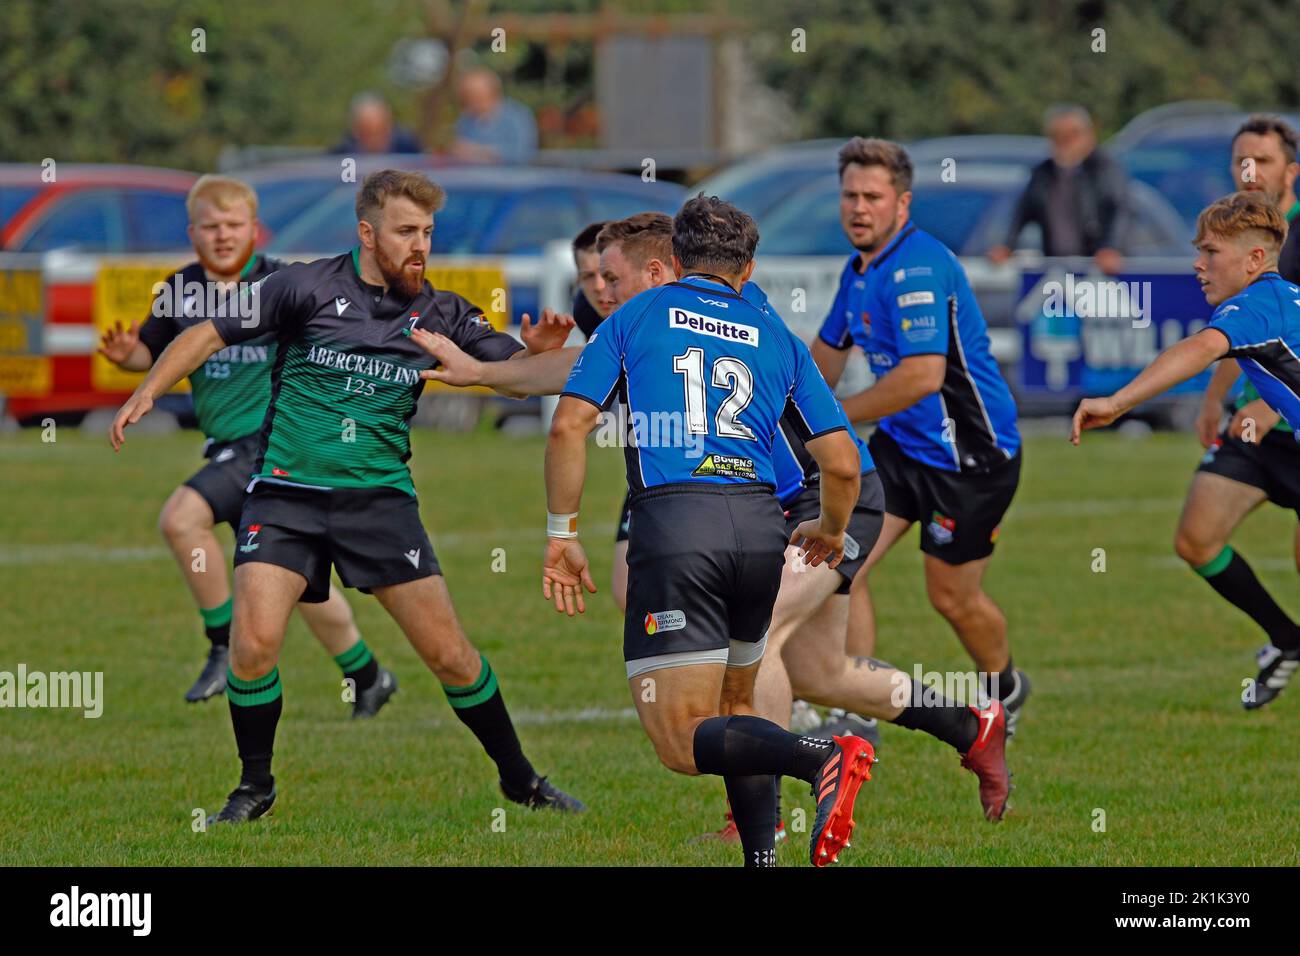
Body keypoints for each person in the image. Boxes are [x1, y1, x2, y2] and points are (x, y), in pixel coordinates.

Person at [108, 169, 584, 824]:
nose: (420, 245)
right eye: (406, 232)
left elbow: (524, 379)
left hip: (378, 502)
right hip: (284, 495)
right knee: (253, 646)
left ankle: (520, 779)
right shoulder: (302, 286)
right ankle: (254, 787)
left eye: (427, 233)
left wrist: (545, 356)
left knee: (450, 656)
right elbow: (205, 334)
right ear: (367, 232)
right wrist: (148, 389)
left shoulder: (443, 312)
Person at [543, 195, 874, 868]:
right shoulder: (772, 332)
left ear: (677, 259)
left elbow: (569, 423)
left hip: (676, 525)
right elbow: (841, 461)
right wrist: (831, 532)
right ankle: (762, 858)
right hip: (760, 528)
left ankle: (821, 755)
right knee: (735, 704)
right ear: (746, 269)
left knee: (678, 739)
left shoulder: (636, 313)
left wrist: (561, 532)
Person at [96, 174, 395, 715]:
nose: (223, 235)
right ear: (193, 233)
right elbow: (155, 353)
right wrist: (130, 356)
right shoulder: (179, 289)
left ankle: (220, 645)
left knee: (180, 519)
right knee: (297, 583)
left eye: (234, 225)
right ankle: (369, 676)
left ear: (254, 229)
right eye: (211, 226)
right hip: (230, 447)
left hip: (274, 443)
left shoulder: (282, 283)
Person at [812, 138, 1031, 734]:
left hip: (970, 457)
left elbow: (922, 375)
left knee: (951, 597)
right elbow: (824, 359)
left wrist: (835, 420)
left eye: (873, 197)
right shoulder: (858, 270)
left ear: (902, 204)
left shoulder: (917, 268)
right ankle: (855, 707)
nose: (859, 208)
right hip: (900, 449)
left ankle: (1005, 688)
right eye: (850, 195)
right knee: (841, 564)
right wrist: (786, 411)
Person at [1073, 190, 1300, 707]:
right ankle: (1287, 641)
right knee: (1197, 537)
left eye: (1211, 253)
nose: (1198, 265)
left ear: (1255, 259)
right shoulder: (1282, 301)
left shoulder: (1256, 304)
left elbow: (1199, 349)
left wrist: (1117, 402)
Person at [1177, 116, 1300, 710]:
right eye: (1241, 163)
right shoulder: (1233, 238)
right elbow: (1236, 335)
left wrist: (1278, 408)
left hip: (1284, 417)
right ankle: (1286, 638)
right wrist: (1211, 399)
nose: (1251, 174)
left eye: (1264, 162)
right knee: (1196, 538)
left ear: (1291, 171)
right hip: (1256, 421)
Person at [988, 105, 1128, 275]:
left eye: (1071, 136)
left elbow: (1119, 209)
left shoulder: (1104, 169)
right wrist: (1007, 246)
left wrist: (1111, 248)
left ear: (1088, 136)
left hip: (1096, 269)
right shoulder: (1043, 174)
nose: (1064, 143)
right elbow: (1023, 211)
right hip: (1056, 270)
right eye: (1057, 137)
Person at [450, 66, 538, 165]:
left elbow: (522, 153)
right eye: (467, 96)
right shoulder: (466, 120)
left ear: (492, 92)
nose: (470, 102)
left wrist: (480, 151)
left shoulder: (518, 116)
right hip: (473, 178)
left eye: (475, 95)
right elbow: (460, 151)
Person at [332, 92, 422, 155]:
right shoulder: (342, 153)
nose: (374, 140)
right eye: (367, 132)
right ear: (355, 131)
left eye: (380, 132)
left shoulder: (408, 147)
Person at [570, 220, 614, 338]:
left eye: (608, 275)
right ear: (579, 280)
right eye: (588, 276)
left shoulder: (658, 310)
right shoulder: (584, 312)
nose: (598, 286)